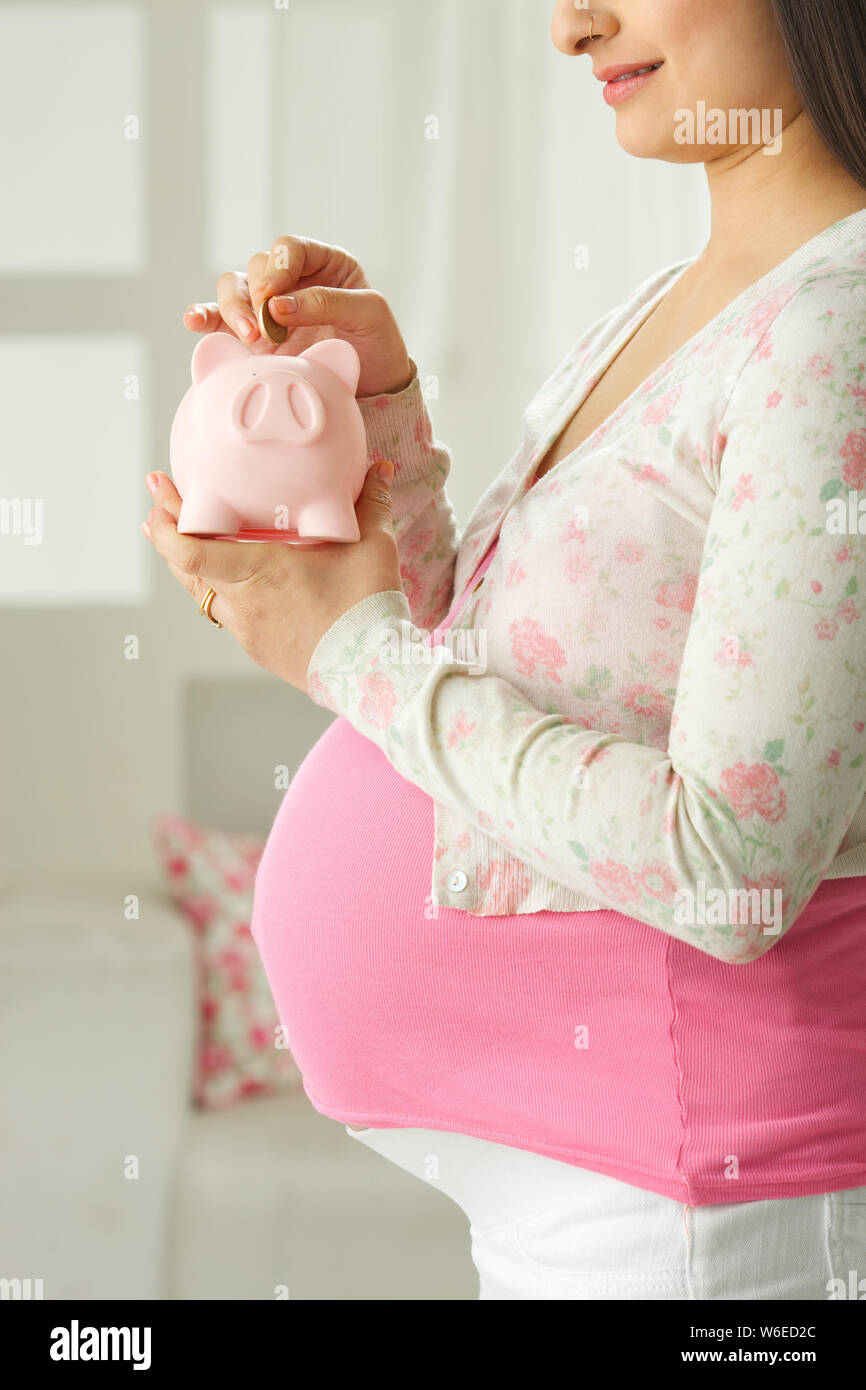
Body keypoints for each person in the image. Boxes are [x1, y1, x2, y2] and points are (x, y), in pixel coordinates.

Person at [144, 0, 866, 1300]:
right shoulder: (693, 302)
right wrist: (381, 421)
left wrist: (340, 650)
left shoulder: (837, 331)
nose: (570, 26)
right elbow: (488, 656)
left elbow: (734, 865)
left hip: (696, 1201)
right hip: (610, 1188)